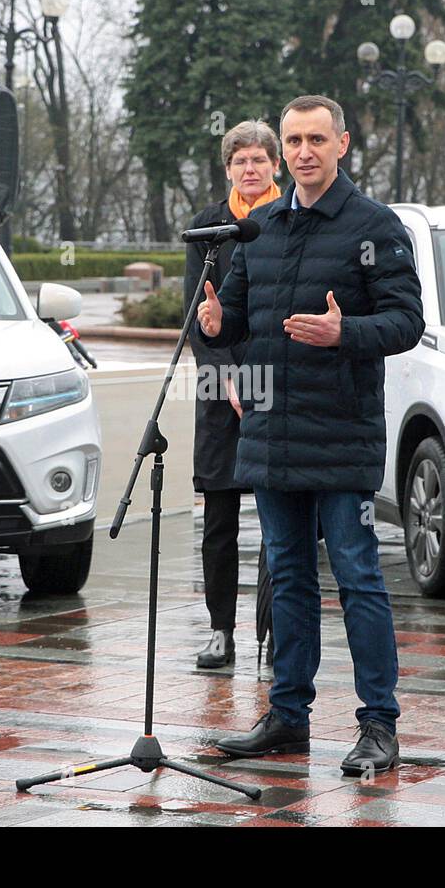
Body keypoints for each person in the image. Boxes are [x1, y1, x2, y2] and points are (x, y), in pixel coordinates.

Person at [197, 95, 424, 776]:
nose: (303, 151)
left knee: (358, 578)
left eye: (316, 139)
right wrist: (216, 324)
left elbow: (404, 322)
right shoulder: (258, 228)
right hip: (270, 439)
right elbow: (237, 319)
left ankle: (378, 725)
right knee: (288, 578)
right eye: (293, 140)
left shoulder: (375, 226)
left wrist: (343, 333)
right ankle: (287, 717)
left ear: (343, 144)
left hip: (342, 440)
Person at [184, 120, 282, 669]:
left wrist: (257, 375)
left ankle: (273, 630)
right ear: (228, 170)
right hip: (216, 385)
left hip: (274, 378)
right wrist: (225, 376)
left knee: (278, 514)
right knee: (219, 515)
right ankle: (221, 629)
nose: (250, 170)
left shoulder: (286, 219)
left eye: (259, 160)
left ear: (275, 166)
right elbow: (196, 316)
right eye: (240, 162)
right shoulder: (207, 227)